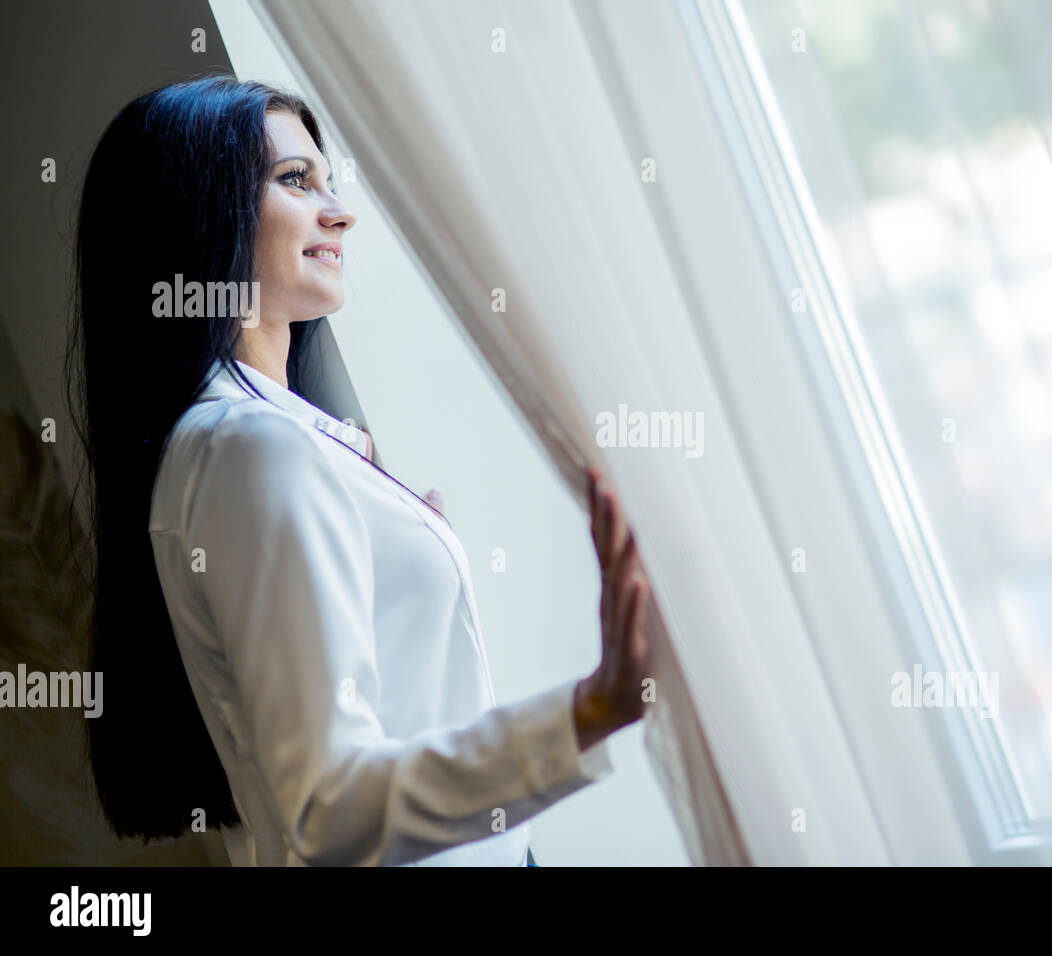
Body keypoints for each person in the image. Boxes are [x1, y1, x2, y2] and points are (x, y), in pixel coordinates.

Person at [68, 74, 650, 866]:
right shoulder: (249, 449)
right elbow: (329, 810)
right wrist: (586, 714)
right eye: (294, 181)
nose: (340, 211)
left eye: (329, 181)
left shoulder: (260, 441)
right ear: (196, 208)